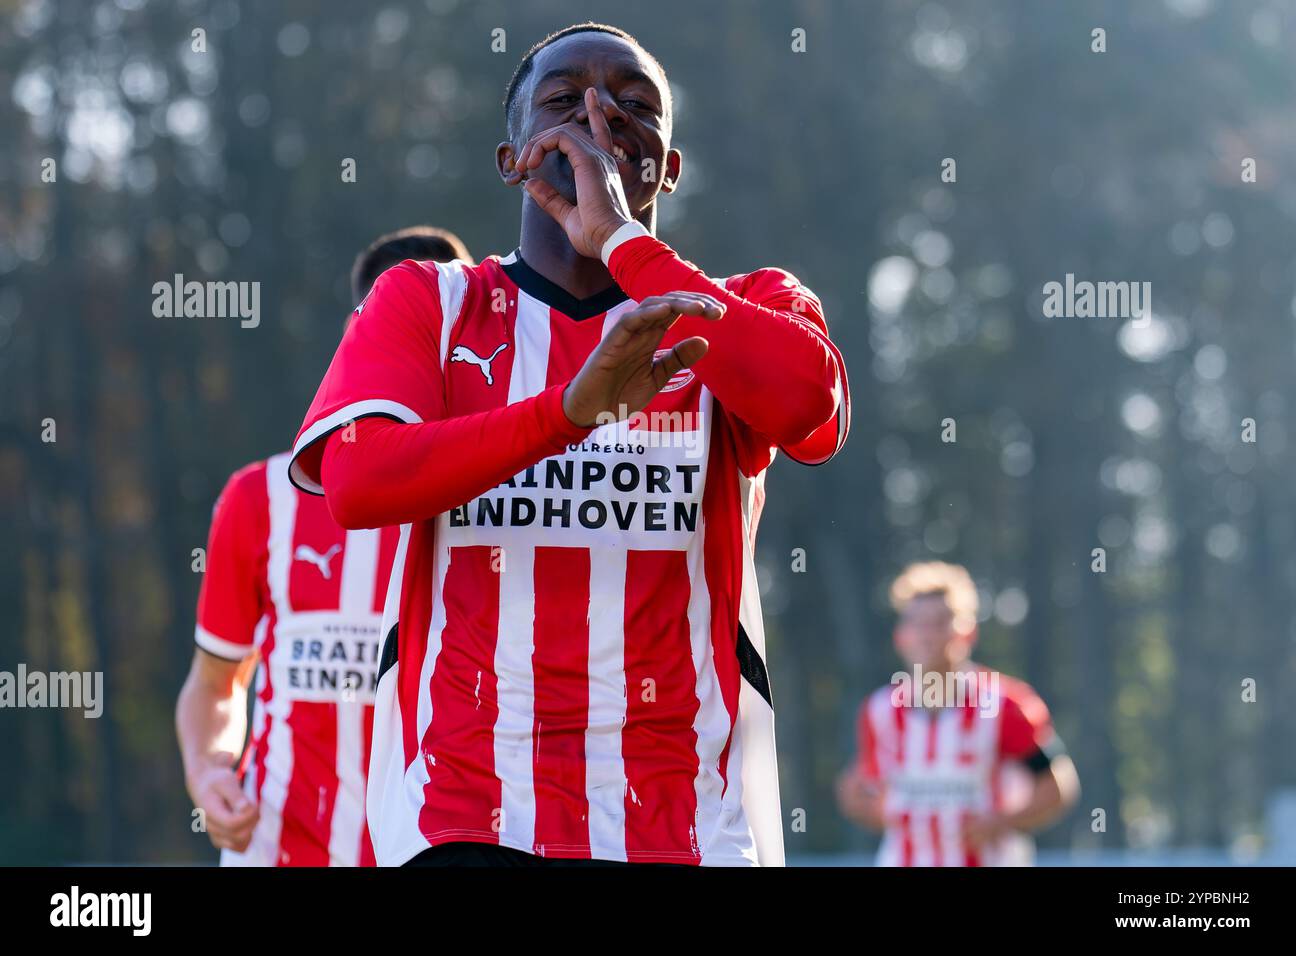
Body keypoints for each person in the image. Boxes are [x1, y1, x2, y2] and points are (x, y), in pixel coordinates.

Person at [288, 22, 850, 867]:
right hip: (468, 805)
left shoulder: (747, 304)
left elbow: (811, 407)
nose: (600, 118)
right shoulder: (430, 302)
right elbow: (358, 485)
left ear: (670, 164)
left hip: (689, 816)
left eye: (635, 106)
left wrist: (625, 244)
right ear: (512, 156)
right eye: (564, 101)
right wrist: (567, 412)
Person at [175, 226, 472, 866]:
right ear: (359, 333)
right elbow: (214, 685)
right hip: (275, 851)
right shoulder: (261, 499)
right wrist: (210, 773)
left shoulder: (499, 506)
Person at [837, 561, 1080, 866]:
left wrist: (1001, 821)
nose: (928, 635)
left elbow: (1058, 785)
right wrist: (901, 818)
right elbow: (854, 790)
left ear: (967, 632)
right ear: (901, 635)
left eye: (940, 622)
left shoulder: (1005, 704)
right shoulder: (879, 711)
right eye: (917, 623)